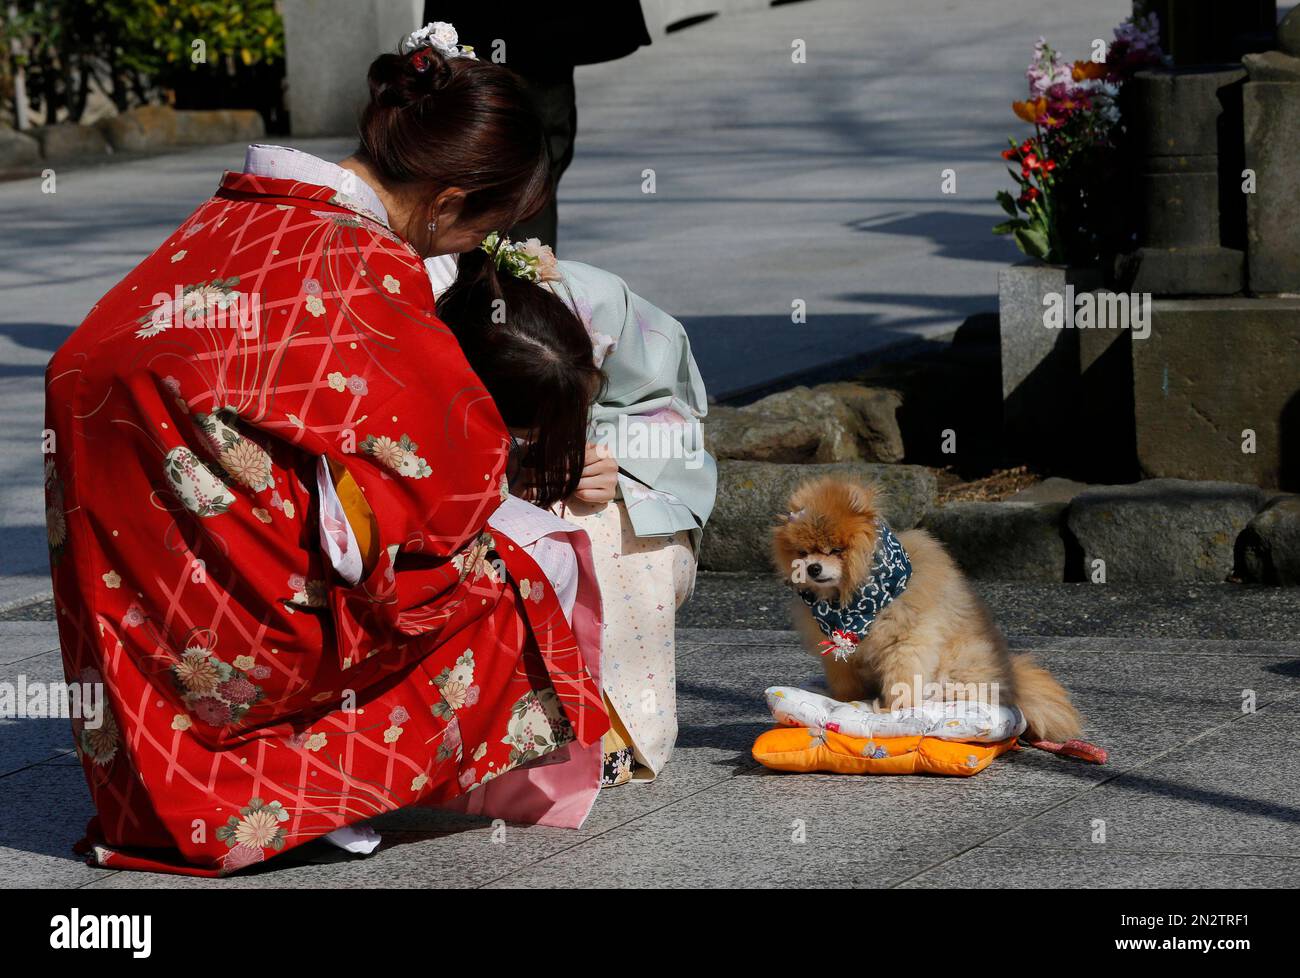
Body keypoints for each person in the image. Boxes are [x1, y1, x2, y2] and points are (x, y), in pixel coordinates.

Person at [42, 23, 608, 876]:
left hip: (132, 542)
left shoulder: (241, 211)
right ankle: (325, 793)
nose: (465, 248)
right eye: (480, 225)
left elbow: (101, 359)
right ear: (448, 201)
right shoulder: (357, 260)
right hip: (237, 576)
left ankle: (226, 798)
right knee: (507, 573)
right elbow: (453, 468)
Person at [427, 235, 717, 791]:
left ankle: (607, 729)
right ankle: (511, 736)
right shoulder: (432, 328)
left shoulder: (598, 302)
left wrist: (616, 462)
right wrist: (511, 474)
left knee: (599, 534)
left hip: (616, 486)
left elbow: (666, 403)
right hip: (475, 494)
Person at [423, 3, 653, 248]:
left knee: (532, 164)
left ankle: (520, 269)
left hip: (533, 41)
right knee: (513, 163)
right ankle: (509, 268)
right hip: (507, 37)